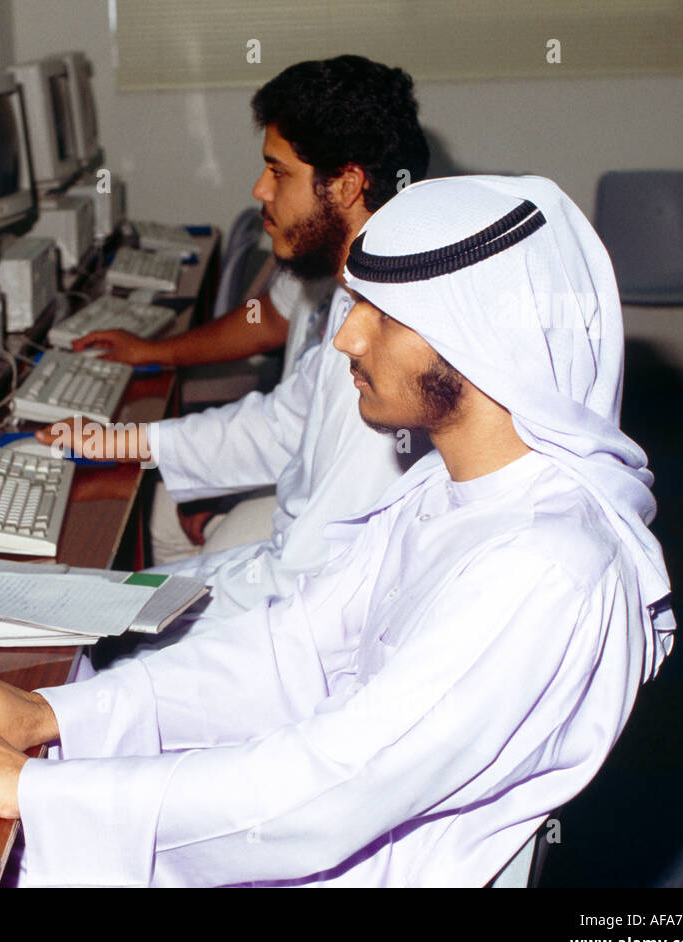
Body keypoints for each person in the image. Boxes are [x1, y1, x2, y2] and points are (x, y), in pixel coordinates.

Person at [0, 175, 675, 887]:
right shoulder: (451, 486)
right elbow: (290, 651)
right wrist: (53, 716)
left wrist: (32, 790)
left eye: (384, 317)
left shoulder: (543, 567)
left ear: (482, 343)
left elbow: (327, 791)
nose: (348, 337)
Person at [39, 56, 431, 616]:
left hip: (306, 608)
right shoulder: (356, 289)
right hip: (292, 560)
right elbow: (281, 426)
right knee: (99, 593)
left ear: (345, 185)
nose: (259, 189)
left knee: (88, 622)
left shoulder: (381, 349)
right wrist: (123, 442)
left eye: (279, 172)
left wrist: (116, 620)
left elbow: (305, 587)